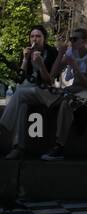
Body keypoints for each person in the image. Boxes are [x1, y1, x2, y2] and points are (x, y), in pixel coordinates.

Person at [39, 29, 87, 161]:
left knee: (66, 103)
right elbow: (52, 75)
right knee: (44, 95)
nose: (71, 42)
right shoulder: (71, 52)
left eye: (75, 39)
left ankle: (59, 146)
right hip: (74, 89)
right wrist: (60, 54)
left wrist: (75, 67)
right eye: (70, 39)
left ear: (85, 41)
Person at [1, 26, 59, 159]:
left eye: (38, 36)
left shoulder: (51, 52)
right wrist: (25, 60)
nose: (35, 39)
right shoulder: (26, 50)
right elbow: (20, 78)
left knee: (20, 93)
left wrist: (40, 63)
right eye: (32, 36)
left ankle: (2, 127)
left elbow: (49, 81)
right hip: (27, 90)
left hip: (44, 90)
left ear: (44, 38)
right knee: (21, 105)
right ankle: (18, 147)